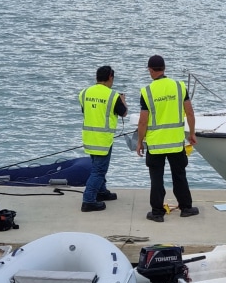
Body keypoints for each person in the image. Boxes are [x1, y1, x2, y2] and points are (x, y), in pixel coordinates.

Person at [136, 54, 198, 222]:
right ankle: (186, 208)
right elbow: (190, 113)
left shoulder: (147, 91)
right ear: (164, 68)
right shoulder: (179, 86)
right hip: (176, 142)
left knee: (156, 178)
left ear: (150, 70)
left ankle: (157, 213)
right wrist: (192, 133)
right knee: (179, 175)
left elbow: (143, 121)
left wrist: (140, 142)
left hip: (155, 144)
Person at [79, 65, 127, 212]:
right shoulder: (113, 96)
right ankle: (88, 200)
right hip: (103, 139)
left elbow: (85, 110)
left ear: (97, 77)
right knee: (99, 171)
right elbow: (123, 113)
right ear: (110, 78)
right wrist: (123, 100)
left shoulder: (84, 92)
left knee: (96, 166)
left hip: (89, 136)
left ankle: (101, 191)